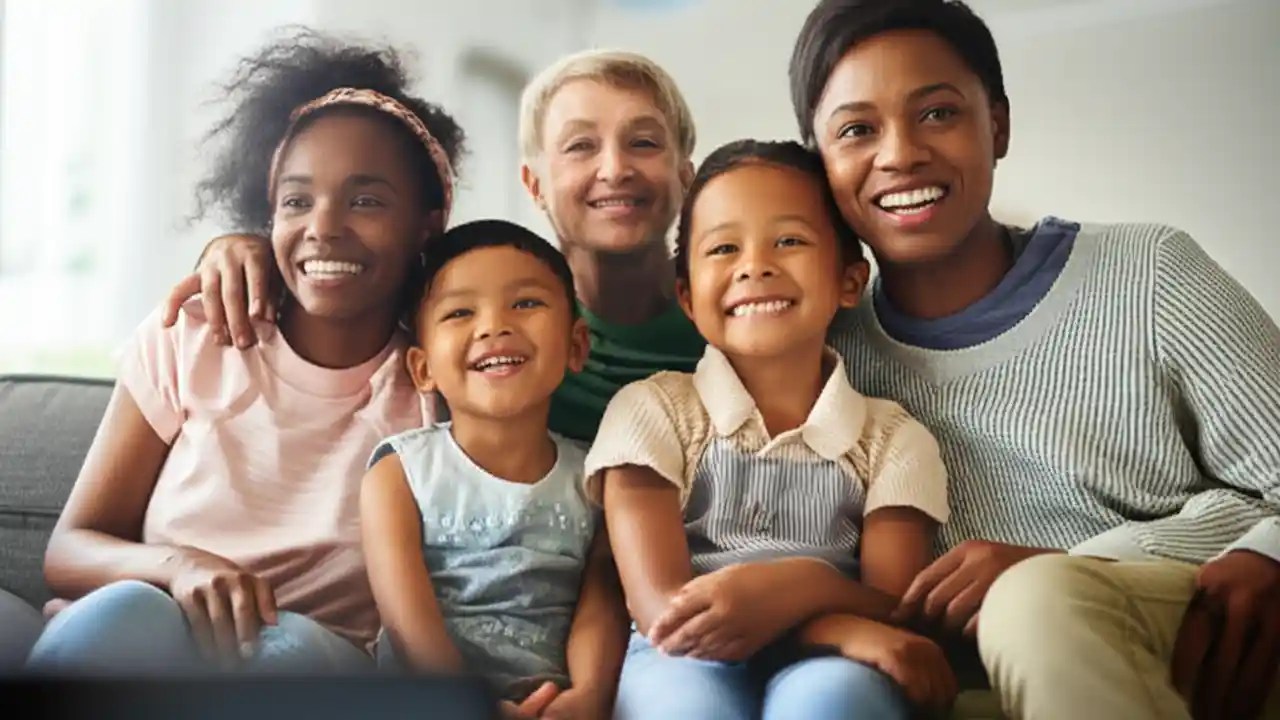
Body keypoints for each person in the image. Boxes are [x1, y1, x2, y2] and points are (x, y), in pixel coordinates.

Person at [789, 1, 1280, 718]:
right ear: (821, 167)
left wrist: (1084, 567)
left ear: (999, 125)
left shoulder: (1150, 272)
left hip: (1192, 645)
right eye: (857, 130)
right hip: (984, 685)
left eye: (937, 114)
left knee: (1034, 598)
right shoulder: (826, 364)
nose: (899, 154)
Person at [26, 30, 464, 674]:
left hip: (315, 661)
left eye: (366, 200)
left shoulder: (434, 381)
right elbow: (70, 548)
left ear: (428, 221)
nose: (323, 226)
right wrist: (182, 567)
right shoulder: (195, 334)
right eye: (296, 201)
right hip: (155, 623)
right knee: (122, 614)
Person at [585, 139, 955, 719]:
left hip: (837, 658)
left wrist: (806, 591)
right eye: (724, 247)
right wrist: (823, 610)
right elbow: (663, 613)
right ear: (686, 295)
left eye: (789, 241)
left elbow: (892, 609)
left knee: (836, 700)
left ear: (849, 281)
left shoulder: (894, 441)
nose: (754, 265)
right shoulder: (650, 410)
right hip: (682, 655)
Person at [163, 50, 707, 444]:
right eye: (580, 146)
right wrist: (243, 247)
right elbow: (355, 279)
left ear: (686, 174)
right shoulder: (479, 320)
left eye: (643, 143)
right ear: (534, 185)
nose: (614, 169)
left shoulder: (731, 322)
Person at [360, 219, 625, 719]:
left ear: (576, 346)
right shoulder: (399, 475)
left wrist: (589, 695)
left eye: (525, 303)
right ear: (423, 369)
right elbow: (405, 622)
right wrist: (468, 705)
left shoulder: (597, 477)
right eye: (460, 311)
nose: (494, 326)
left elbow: (603, 600)